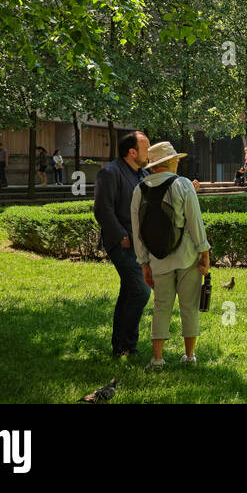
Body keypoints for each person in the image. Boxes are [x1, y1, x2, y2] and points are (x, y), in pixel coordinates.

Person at [131, 142, 210, 370]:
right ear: (171, 161)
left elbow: (137, 232)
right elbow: (195, 223)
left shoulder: (139, 190)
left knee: (161, 306)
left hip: (157, 259)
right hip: (187, 257)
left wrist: (144, 262)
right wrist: (204, 252)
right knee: (189, 306)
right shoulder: (183, 184)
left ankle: (157, 359)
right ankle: (189, 356)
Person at [94, 131, 151, 358]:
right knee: (140, 291)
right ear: (132, 151)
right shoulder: (109, 173)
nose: (148, 153)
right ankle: (128, 346)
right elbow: (102, 209)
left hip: (140, 244)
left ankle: (121, 346)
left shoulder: (144, 174)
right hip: (122, 244)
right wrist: (120, 236)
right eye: (146, 149)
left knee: (129, 293)